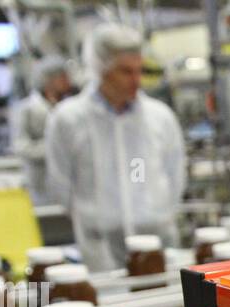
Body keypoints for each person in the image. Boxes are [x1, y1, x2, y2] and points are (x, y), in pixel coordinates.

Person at [45, 23, 185, 272]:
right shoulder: (68, 119)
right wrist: (97, 217)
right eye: (125, 72)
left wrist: (154, 214)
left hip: (157, 243)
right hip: (100, 249)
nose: (136, 80)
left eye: (139, 70)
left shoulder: (159, 117)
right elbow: (61, 184)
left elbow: (175, 176)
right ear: (101, 69)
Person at [12, 56, 73, 204]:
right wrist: (54, 148)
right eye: (63, 78)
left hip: (69, 183)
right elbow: (21, 146)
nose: (68, 82)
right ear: (49, 80)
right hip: (40, 182)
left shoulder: (69, 107)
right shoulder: (26, 109)